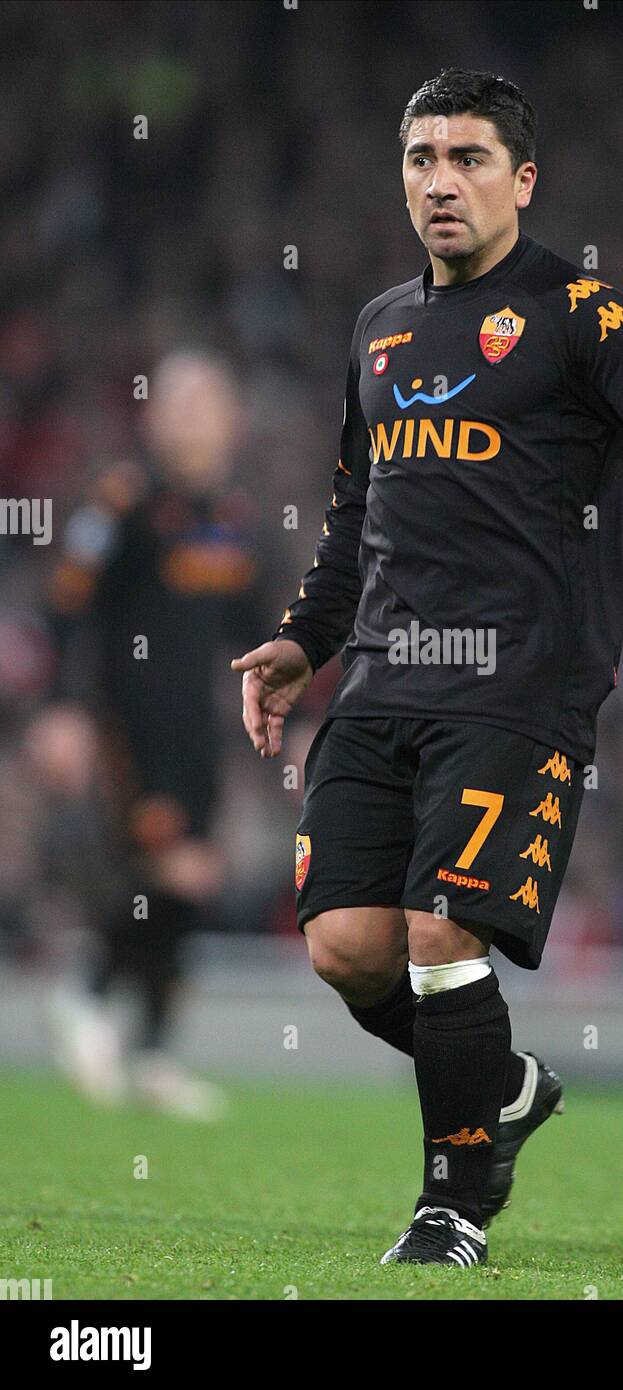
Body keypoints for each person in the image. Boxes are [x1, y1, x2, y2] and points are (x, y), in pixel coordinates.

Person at [232, 69, 623, 1264]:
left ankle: (450, 1205)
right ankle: (501, 1081)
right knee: (344, 947)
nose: (438, 181)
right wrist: (306, 643)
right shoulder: (377, 327)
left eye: (464, 157)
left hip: (519, 688)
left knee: (436, 934)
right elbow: (358, 513)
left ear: (522, 178)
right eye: (418, 157)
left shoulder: (580, 315)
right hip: (385, 680)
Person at [47, 350, 262, 1120]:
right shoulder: (122, 502)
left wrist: (297, 717)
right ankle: (85, 993)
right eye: (181, 404)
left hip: (197, 730)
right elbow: (65, 606)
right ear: (153, 417)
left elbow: (263, 630)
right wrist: (62, 708)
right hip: (125, 724)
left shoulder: (232, 522)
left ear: (231, 422)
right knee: (170, 867)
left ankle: (154, 1050)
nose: (196, 420)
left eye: (209, 405)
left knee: (196, 875)